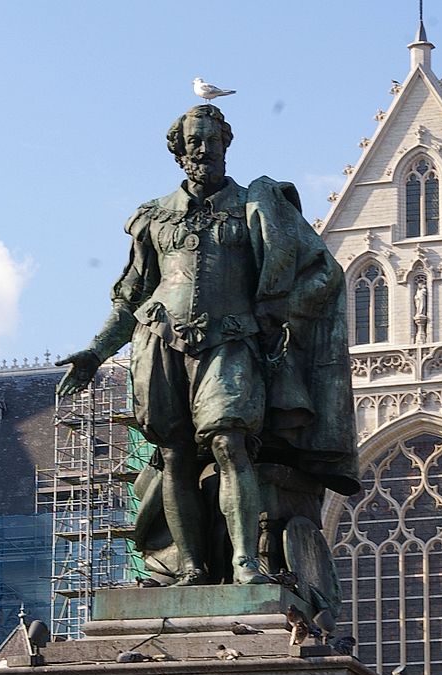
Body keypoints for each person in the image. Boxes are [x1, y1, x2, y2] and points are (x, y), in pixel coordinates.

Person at [57, 105, 358, 587]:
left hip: (232, 338)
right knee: (174, 453)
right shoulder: (153, 216)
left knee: (229, 440)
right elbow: (132, 294)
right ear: (179, 151)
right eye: (194, 141)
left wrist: (281, 313)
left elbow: (324, 272)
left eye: (211, 140)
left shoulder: (256, 205)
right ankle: (191, 566)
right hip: (158, 342)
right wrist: (95, 352)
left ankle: (244, 562)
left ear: (226, 144)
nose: (203, 148)